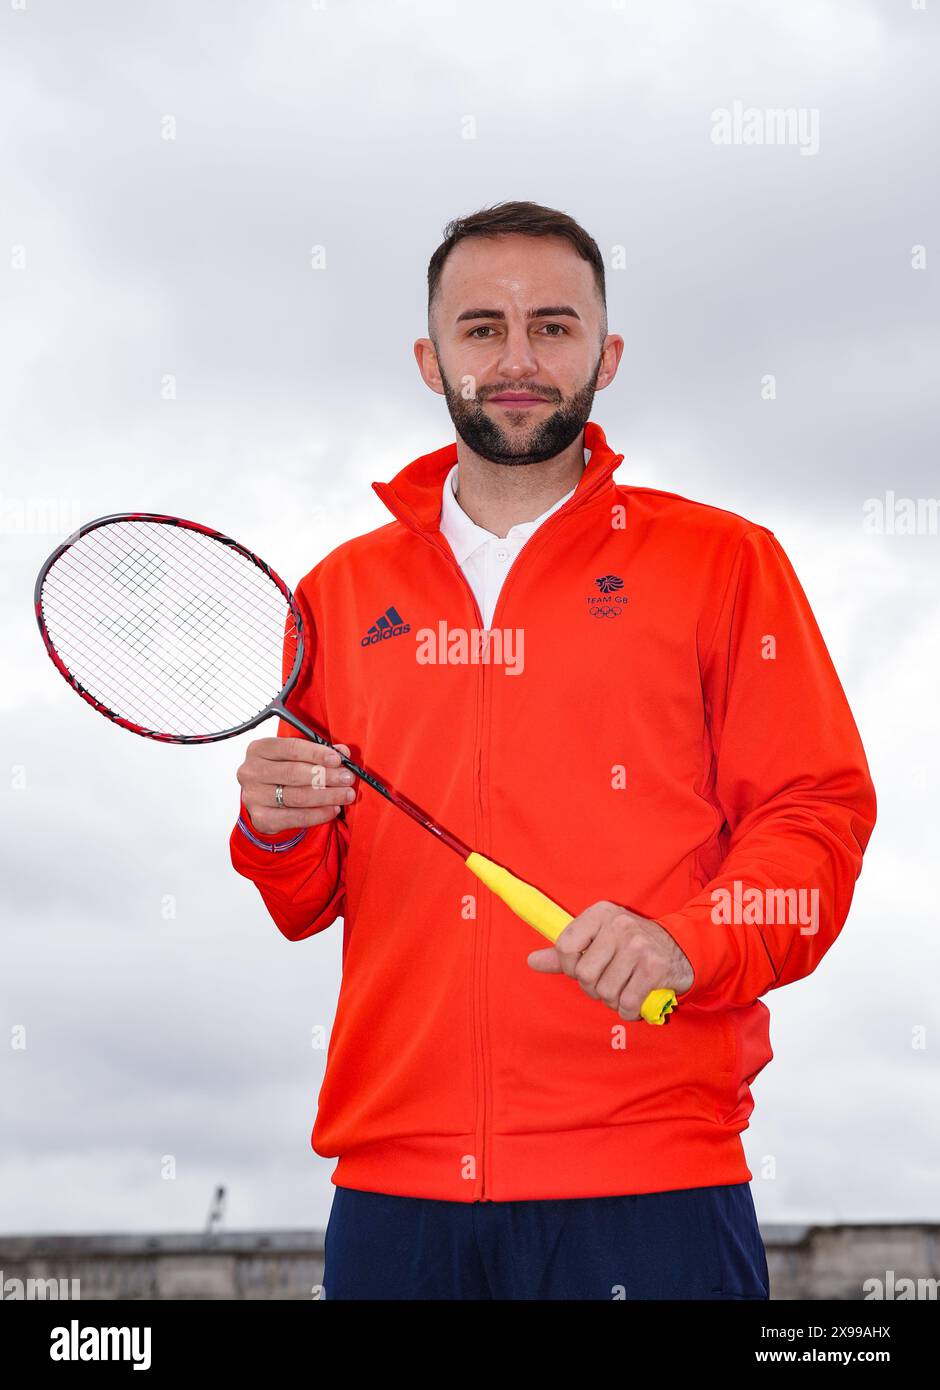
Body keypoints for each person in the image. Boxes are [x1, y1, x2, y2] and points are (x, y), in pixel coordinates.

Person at [230, 201, 877, 1300]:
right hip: (397, 1197)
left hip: (652, 1187)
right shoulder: (339, 592)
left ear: (605, 355)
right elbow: (305, 900)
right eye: (482, 329)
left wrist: (687, 941)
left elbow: (816, 824)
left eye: (553, 326)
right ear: (432, 359)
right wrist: (271, 827)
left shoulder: (726, 562)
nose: (517, 358)